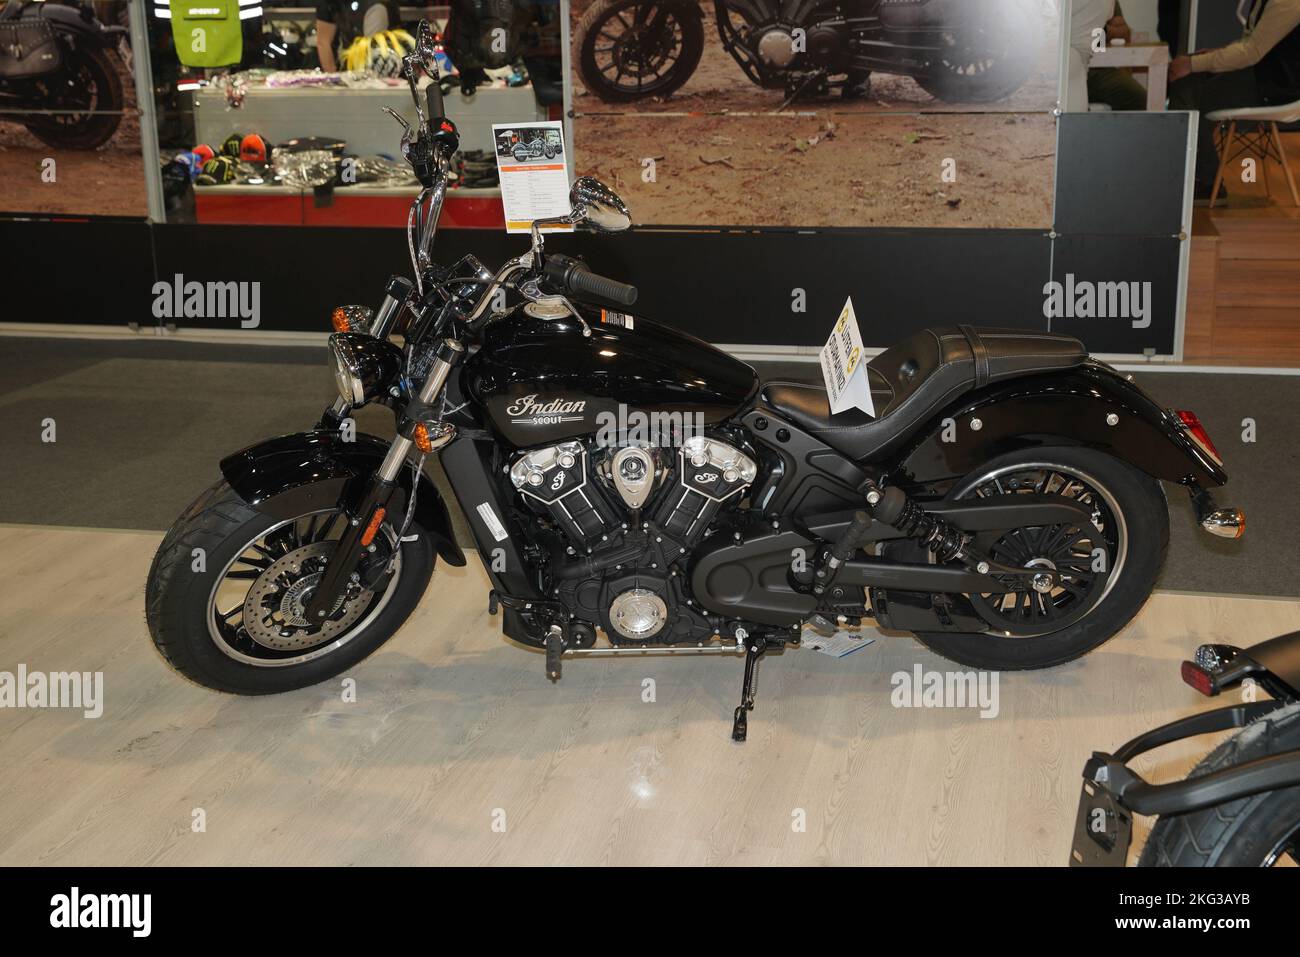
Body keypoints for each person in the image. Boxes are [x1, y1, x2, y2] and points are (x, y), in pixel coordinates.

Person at [1168, 0, 1300, 199]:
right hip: (1262, 77)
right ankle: (1187, 175)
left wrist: (1194, 64)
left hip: (1274, 87)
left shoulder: (1287, 3)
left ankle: (1199, 179)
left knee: (1191, 91)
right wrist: (1213, 55)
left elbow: (1251, 52)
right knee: (1187, 82)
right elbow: (1250, 45)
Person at [1087, 4, 1150, 111]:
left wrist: (1104, 30)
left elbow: (1124, 33)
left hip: (1099, 69)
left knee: (1139, 98)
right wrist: (1104, 30)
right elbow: (1084, 33)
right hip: (1067, 69)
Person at [315, 0, 403, 72]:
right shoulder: (329, 4)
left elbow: (373, 50)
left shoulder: (377, 6)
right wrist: (332, 78)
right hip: (348, 66)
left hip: (386, 64)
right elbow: (323, 42)